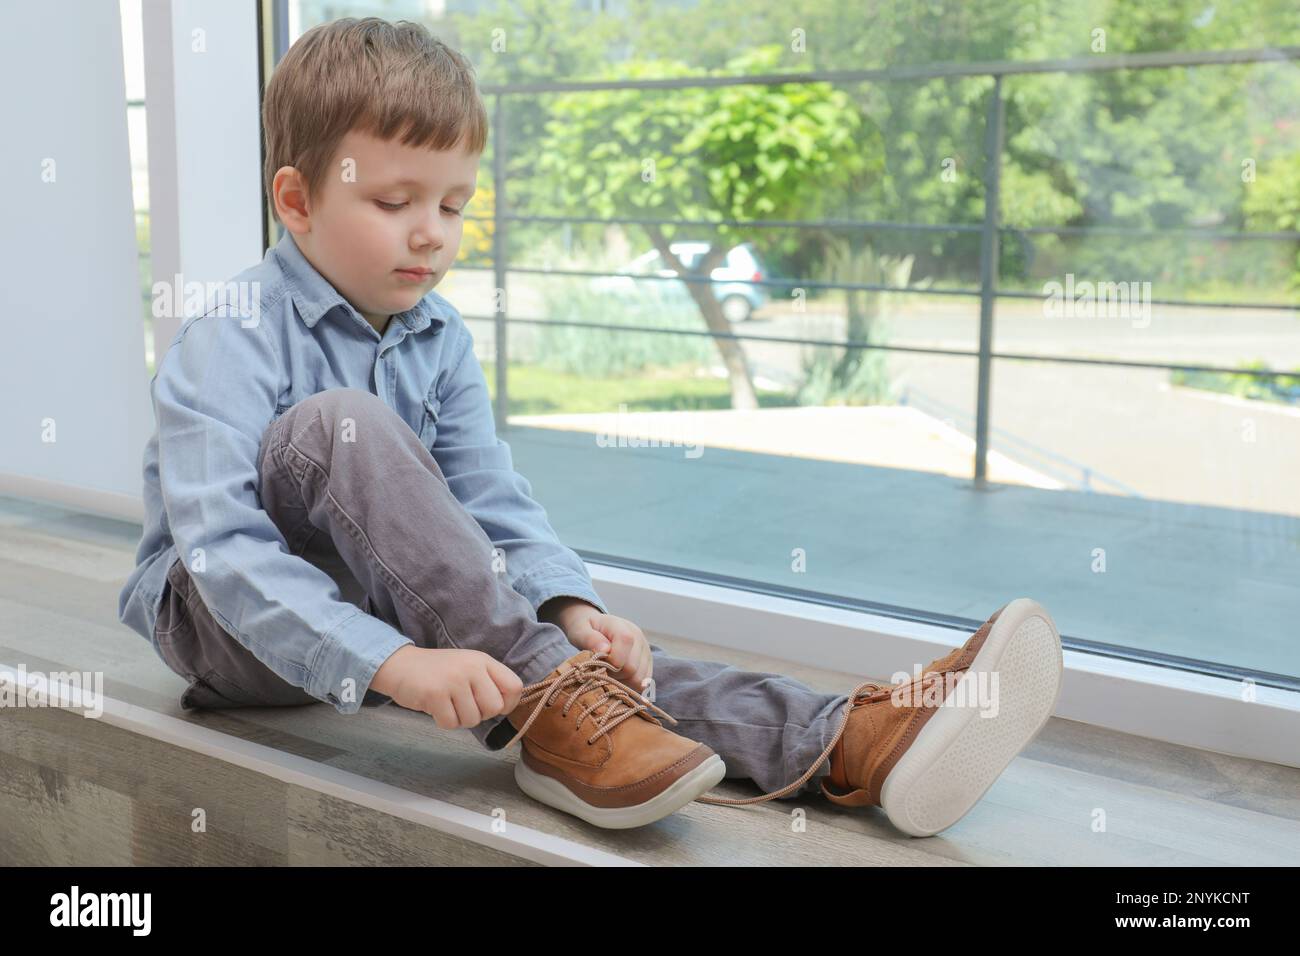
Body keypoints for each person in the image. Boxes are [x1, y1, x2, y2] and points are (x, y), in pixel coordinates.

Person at [118, 17, 1063, 836]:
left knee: (581, 665)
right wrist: (395, 663)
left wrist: (572, 610)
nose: (432, 235)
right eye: (395, 202)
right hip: (226, 632)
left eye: (453, 205)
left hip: (378, 601)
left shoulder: (438, 337)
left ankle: (844, 741)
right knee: (343, 427)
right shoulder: (230, 334)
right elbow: (223, 558)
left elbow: (489, 500)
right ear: (297, 200)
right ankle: (555, 707)